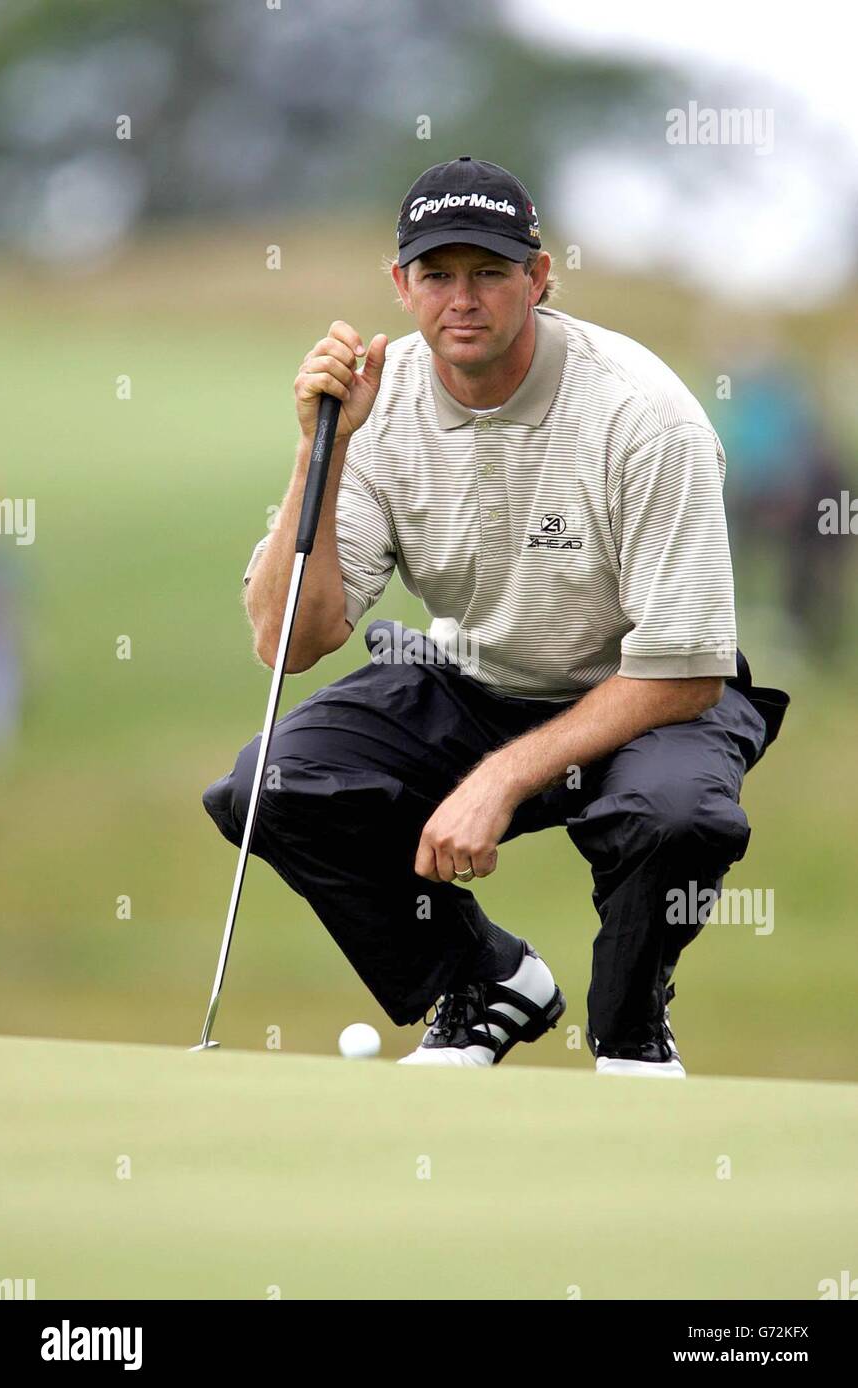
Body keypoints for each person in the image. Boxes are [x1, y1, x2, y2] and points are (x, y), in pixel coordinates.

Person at [203, 156, 788, 1077]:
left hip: (644, 693)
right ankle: (486, 982)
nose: (461, 299)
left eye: (489, 273)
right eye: (437, 275)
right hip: (474, 678)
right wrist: (321, 450)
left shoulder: (643, 414)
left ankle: (632, 1028)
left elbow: (687, 672)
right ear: (402, 285)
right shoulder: (372, 404)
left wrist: (499, 779)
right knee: (268, 784)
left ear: (538, 278)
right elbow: (290, 639)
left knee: (678, 815)